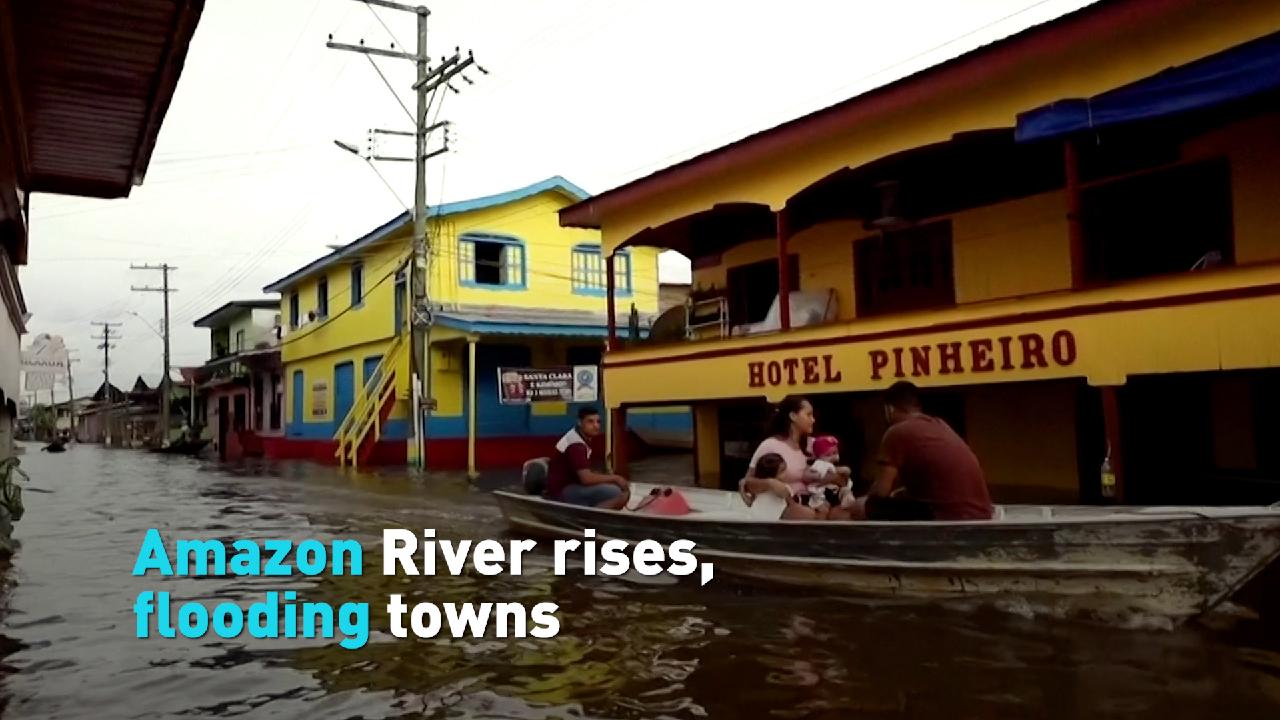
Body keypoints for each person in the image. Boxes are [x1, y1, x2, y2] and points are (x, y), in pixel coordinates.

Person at [852, 381, 994, 521]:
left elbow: (880, 492)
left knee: (860, 507)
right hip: (981, 512)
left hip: (947, 515)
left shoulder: (897, 432)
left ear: (889, 409)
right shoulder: (940, 424)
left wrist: (862, 502)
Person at [739, 396, 822, 520]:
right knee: (806, 515)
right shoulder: (770, 445)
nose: (813, 420)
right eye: (808, 415)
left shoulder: (813, 445)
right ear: (793, 416)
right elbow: (748, 483)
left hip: (815, 499)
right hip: (783, 505)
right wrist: (770, 483)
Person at [544, 406, 630, 509]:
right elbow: (586, 479)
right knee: (617, 492)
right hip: (561, 491)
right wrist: (616, 478)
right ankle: (590, 521)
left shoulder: (577, 436)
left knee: (612, 486)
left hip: (566, 486)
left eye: (598, 422)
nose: (596, 426)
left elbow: (585, 472)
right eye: (590, 422)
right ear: (580, 423)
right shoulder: (576, 445)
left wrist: (609, 479)